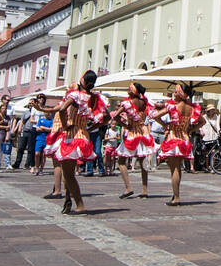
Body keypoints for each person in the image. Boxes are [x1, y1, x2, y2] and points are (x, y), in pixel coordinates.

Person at [43, 72, 107, 214]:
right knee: (69, 171)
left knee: (69, 173)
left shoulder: (76, 95)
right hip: (83, 135)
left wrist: (65, 125)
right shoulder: (96, 98)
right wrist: (91, 128)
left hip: (72, 135)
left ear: (82, 80)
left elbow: (61, 109)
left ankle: (79, 204)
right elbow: (106, 117)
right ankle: (67, 199)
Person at [152, 83, 199, 207]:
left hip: (173, 138)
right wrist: (192, 130)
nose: (173, 93)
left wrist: (164, 125)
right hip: (184, 138)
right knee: (178, 168)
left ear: (180, 94)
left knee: (174, 169)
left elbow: (155, 115)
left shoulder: (173, 106)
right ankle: (175, 193)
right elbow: (202, 121)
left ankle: (176, 197)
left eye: (175, 91)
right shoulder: (191, 108)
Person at [116, 82, 155, 199]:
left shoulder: (128, 103)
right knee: (143, 162)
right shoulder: (144, 102)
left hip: (133, 132)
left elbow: (115, 116)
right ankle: (144, 190)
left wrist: (125, 125)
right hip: (143, 133)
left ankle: (128, 187)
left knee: (121, 161)